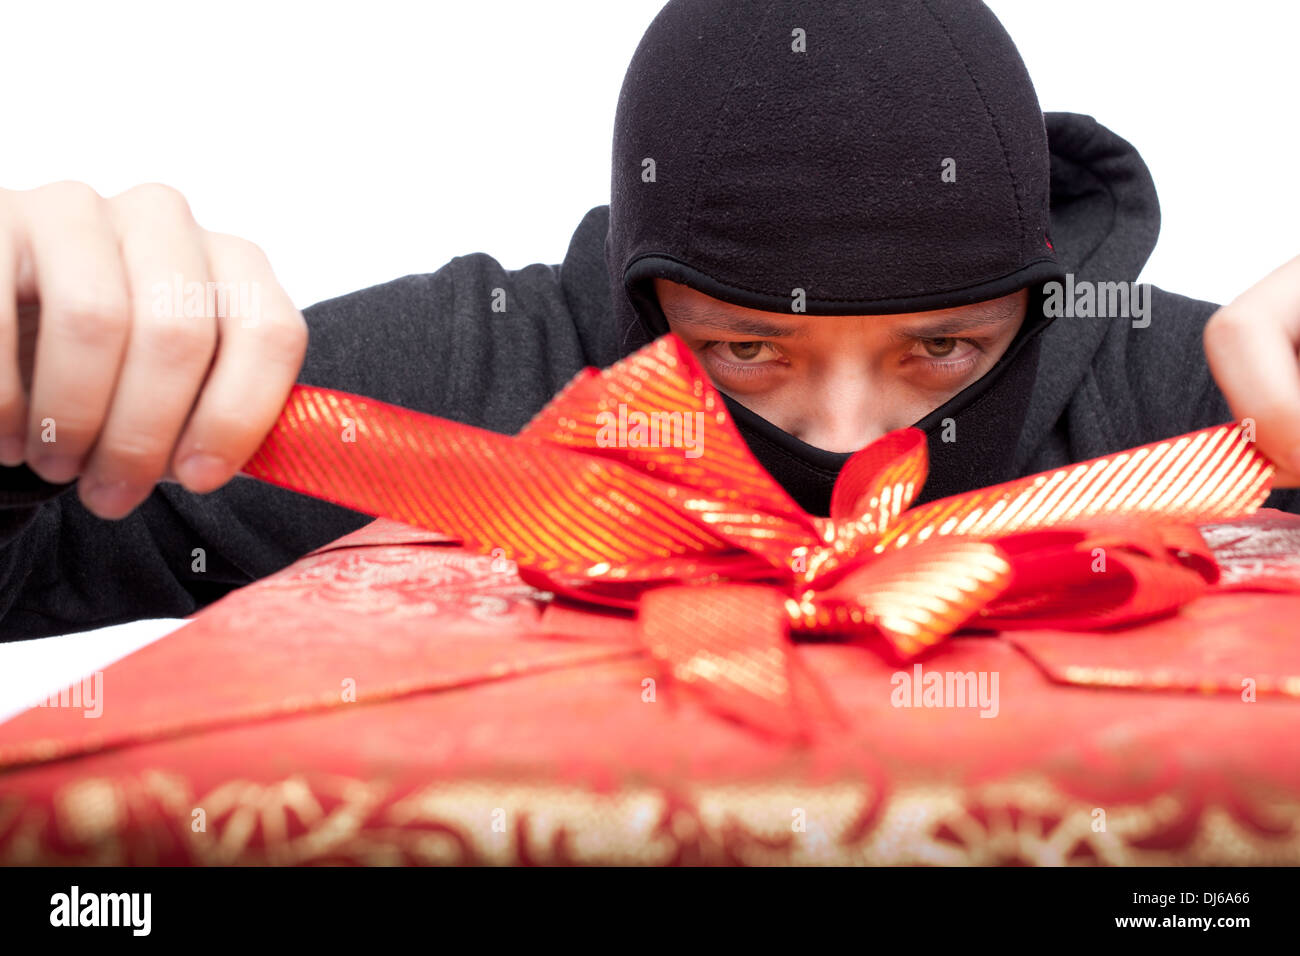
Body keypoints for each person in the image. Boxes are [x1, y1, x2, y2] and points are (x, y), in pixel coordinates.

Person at [1, 0, 1297, 640]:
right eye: (749, 347)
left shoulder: (1209, 411)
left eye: (943, 347)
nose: (848, 438)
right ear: (639, 287)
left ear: (1046, 281)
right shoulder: (442, 386)